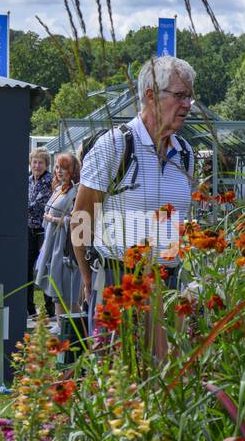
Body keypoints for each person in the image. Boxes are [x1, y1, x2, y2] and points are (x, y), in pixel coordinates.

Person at [72, 56, 197, 333]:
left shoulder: (185, 153)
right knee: (120, 371)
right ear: (151, 95)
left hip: (169, 284)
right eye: (179, 95)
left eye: (189, 96)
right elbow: (81, 219)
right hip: (119, 283)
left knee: (169, 373)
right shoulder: (116, 145)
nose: (187, 105)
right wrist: (89, 279)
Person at [33, 151, 84, 334]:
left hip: (64, 245)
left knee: (65, 287)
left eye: (64, 168)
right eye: (57, 167)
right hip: (52, 242)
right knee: (54, 281)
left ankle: (78, 328)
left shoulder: (76, 192)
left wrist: (53, 220)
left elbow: (79, 221)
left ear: (73, 170)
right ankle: (60, 322)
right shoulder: (57, 189)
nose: (59, 171)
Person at [27, 148, 54, 326]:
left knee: (44, 270)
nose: (37, 165)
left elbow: (37, 205)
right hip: (28, 230)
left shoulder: (49, 181)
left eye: (41, 162)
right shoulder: (28, 179)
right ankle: (30, 309)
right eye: (35, 162)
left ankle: (48, 310)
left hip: (43, 231)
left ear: (46, 164)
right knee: (26, 270)